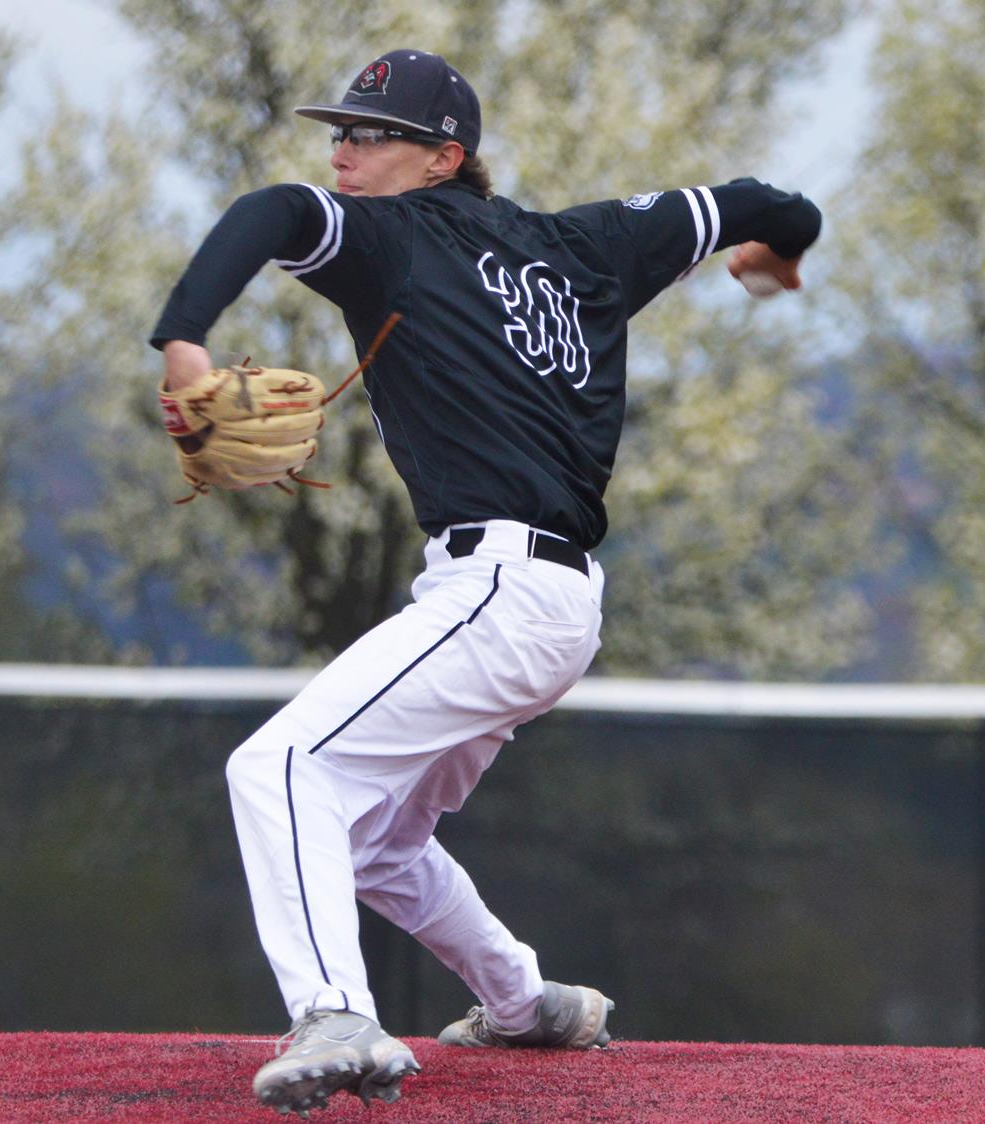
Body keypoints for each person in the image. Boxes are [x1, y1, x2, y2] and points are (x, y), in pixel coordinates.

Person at [149, 48, 820, 1115]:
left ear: (441, 156)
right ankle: (525, 1002)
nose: (340, 152)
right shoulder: (590, 245)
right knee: (378, 838)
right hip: (551, 605)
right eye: (339, 132)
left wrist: (182, 337)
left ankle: (332, 1010)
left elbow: (272, 210)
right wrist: (775, 253)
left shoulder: (388, 237)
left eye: (368, 135)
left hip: (498, 592)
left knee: (277, 768)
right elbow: (768, 201)